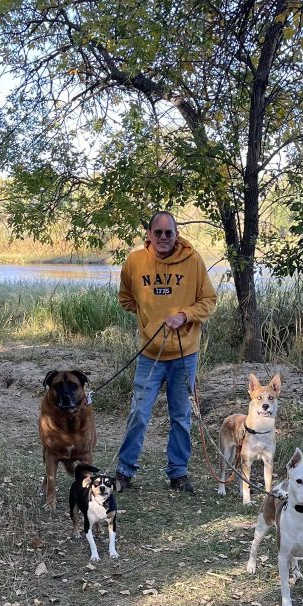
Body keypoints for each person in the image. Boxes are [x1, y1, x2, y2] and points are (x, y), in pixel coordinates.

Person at [115, 211, 217, 493]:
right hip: (149, 354)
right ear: (148, 234)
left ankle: (178, 474)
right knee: (139, 412)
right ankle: (124, 472)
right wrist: (148, 317)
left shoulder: (193, 261)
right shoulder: (135, 262)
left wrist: (184, 315)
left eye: (168, 233)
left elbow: (209, 301)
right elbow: (125, 298)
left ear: (176, 233)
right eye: (157, 232)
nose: (163, 238)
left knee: (181, 416)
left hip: (185, 355)